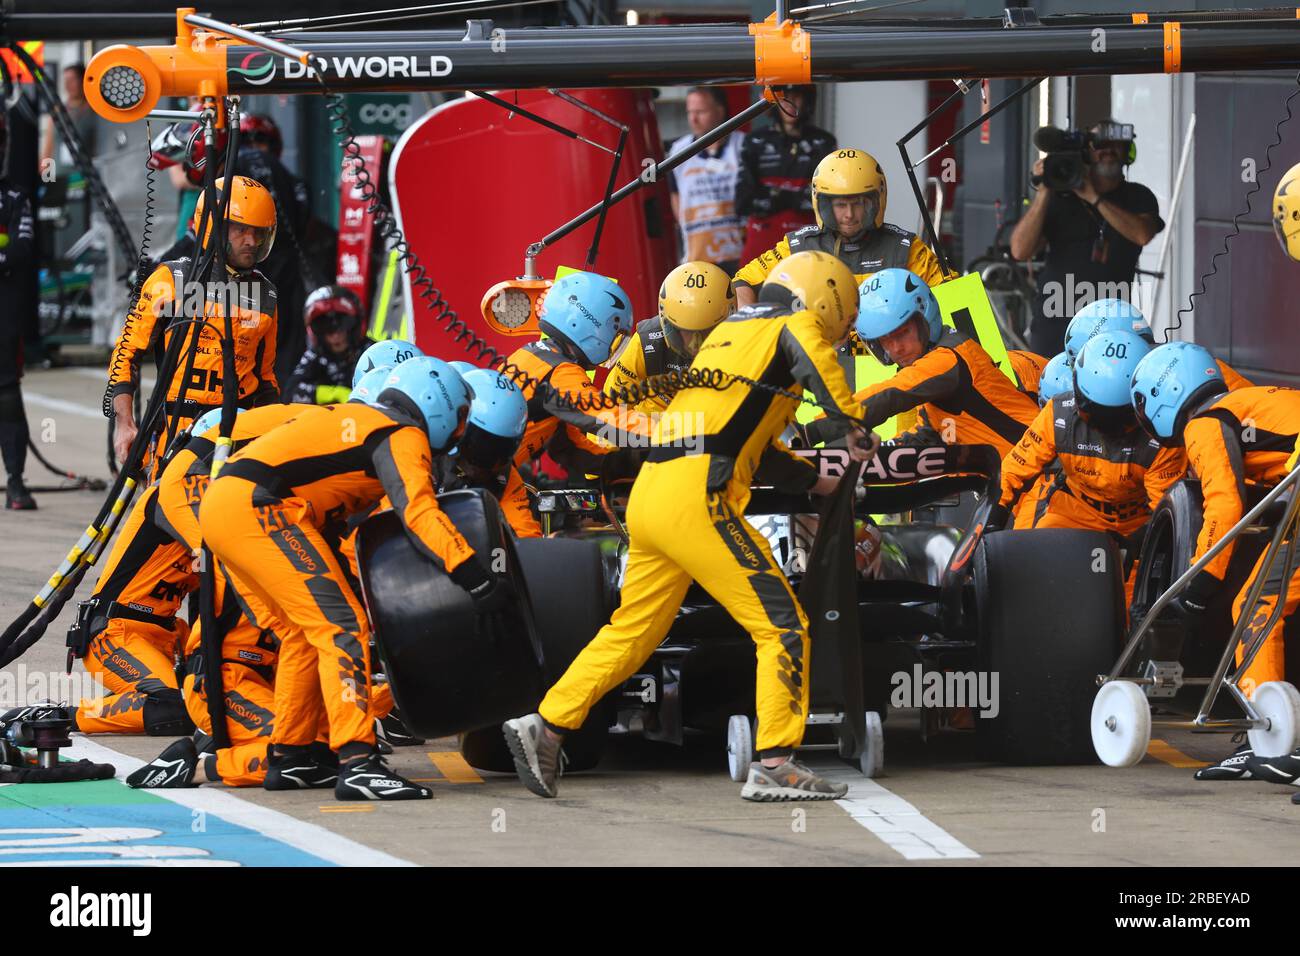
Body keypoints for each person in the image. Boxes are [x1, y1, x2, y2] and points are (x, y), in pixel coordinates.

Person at [502, 250, 880, 802]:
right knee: (782, 626)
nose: (838, 339)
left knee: (633, 631)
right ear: (826, 301)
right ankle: (776, 762)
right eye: (841, 322)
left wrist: (817, 483)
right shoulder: (791, 324)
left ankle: (547, 725)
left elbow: (736, 434)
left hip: (653, 498)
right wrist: (848, 423)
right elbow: (812, 358)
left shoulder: (728, 337)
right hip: (698, 502)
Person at [199, 357, 493, 800]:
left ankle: (292, 754)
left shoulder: (363, 420)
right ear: (438, 405)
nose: (459, 433)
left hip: (227, 504)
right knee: (341, 625)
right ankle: (358, 760)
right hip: (259, 506)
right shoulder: (400, 433)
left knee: (305, 632)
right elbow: (419, 512)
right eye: (460, 419)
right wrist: (474, 575)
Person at [1129, 343, 1300, 781]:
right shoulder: (1250, 402)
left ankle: (1267, 739)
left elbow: (1224, 507)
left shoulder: (1205, 424)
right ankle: (1263, 738)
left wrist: (1200, 585)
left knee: (1255, 606)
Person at [992, 332, 1187, 606]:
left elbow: (1166, 510)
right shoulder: (1058, 413)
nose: (1104, 429)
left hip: (1135, 524)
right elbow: (1014, 469)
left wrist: (1143, 541)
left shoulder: (1163, 435)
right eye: (1094, 414)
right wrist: (993, 514)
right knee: (1029, 578)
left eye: (1116, 418)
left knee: (1134, 608)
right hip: (1073, 511)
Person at [107, 176, 280, 468]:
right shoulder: (170, 280)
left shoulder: (266, 295)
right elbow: (126, 355)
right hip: (174, 434)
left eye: (259, 233)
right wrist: (124, 424)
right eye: (241, 230)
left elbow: (265, 380)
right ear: (213, 227)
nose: (251, 241)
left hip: (237, 436)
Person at [842, 267, 1038, 457]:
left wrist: (819, 427)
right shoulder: (933, 371)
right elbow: (927, 438)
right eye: (885, 341)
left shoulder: (946, 359)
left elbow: (890, 394)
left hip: (1039, 477)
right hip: (1018, 479)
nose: (896, 349)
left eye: (903, 333)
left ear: (925, 317)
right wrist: (874, 455)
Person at [1009, 120, 1164, 356]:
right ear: (1088, 153)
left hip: (1111, 327)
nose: (1107, 151)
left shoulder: (1138, 196)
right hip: (1054, 323)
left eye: (1116, 145)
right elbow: (1020, 250)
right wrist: (1045, 189)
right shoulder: (1059, 197)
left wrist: (1093, 197)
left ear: (1127, 153)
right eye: (1100, 145)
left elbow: (1142, 234)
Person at [733, 148, 950, 308]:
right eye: (840, 205)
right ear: (823, 204)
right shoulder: (799, 247)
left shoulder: (906, 249)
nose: (849, 215)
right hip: (817, 359)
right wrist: (750, 325)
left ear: (876, 201)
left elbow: (954, 296)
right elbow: (742, 282)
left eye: (858, 204)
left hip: (888, 362)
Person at [506, 271, 649, 479]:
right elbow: (608, 418)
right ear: (595, 325)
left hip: (488, 478)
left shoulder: (534, 355)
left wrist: (630, 464)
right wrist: (685, 438)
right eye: (616, 334)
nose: (613, 344)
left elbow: (570, 449)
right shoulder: (560, 371)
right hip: (473, 482)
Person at [604, 261, 735, 414]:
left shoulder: (746, 346)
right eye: (687, 332)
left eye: (706, 332)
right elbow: (610, 411)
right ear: (668, 324)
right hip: (649, 432)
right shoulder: (647, 343)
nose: (695, 345)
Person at [734, 85, 836, 266]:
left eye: (796, 96)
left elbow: (826, 201)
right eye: (784, 97)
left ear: (808, 100)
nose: (789, 103)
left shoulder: (824, 142)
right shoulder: (755, 141)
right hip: (761, 245)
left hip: (807, 243)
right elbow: (743, 202)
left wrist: (775, 195)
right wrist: (796, 197)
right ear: (773, 100)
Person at [442, 365, 540, 538]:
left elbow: (525, 533)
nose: (492, 463)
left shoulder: (506, 476)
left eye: (501, 450)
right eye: (481, 445)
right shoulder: (424, 454)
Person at [668, 88, 746, 274]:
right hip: (697, 257)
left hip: (739, 254)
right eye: (690, 112)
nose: (693, 119)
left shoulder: (742, 145)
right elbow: (675, 194)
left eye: (700, 112)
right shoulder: (678, 150)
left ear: (719, 111)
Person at [0, 148, 37, 510]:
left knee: (7, 395)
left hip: (4, 313)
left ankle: (15, 480)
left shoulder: (15, 197)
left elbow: (22, 249)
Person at [283, 285, 368, 405]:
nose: (335, 335)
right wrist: (333, 393)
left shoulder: (371, 351)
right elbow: (289, 393)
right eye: (324, 326)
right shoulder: (316, 354)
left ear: (355, 325)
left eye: (343, 324)